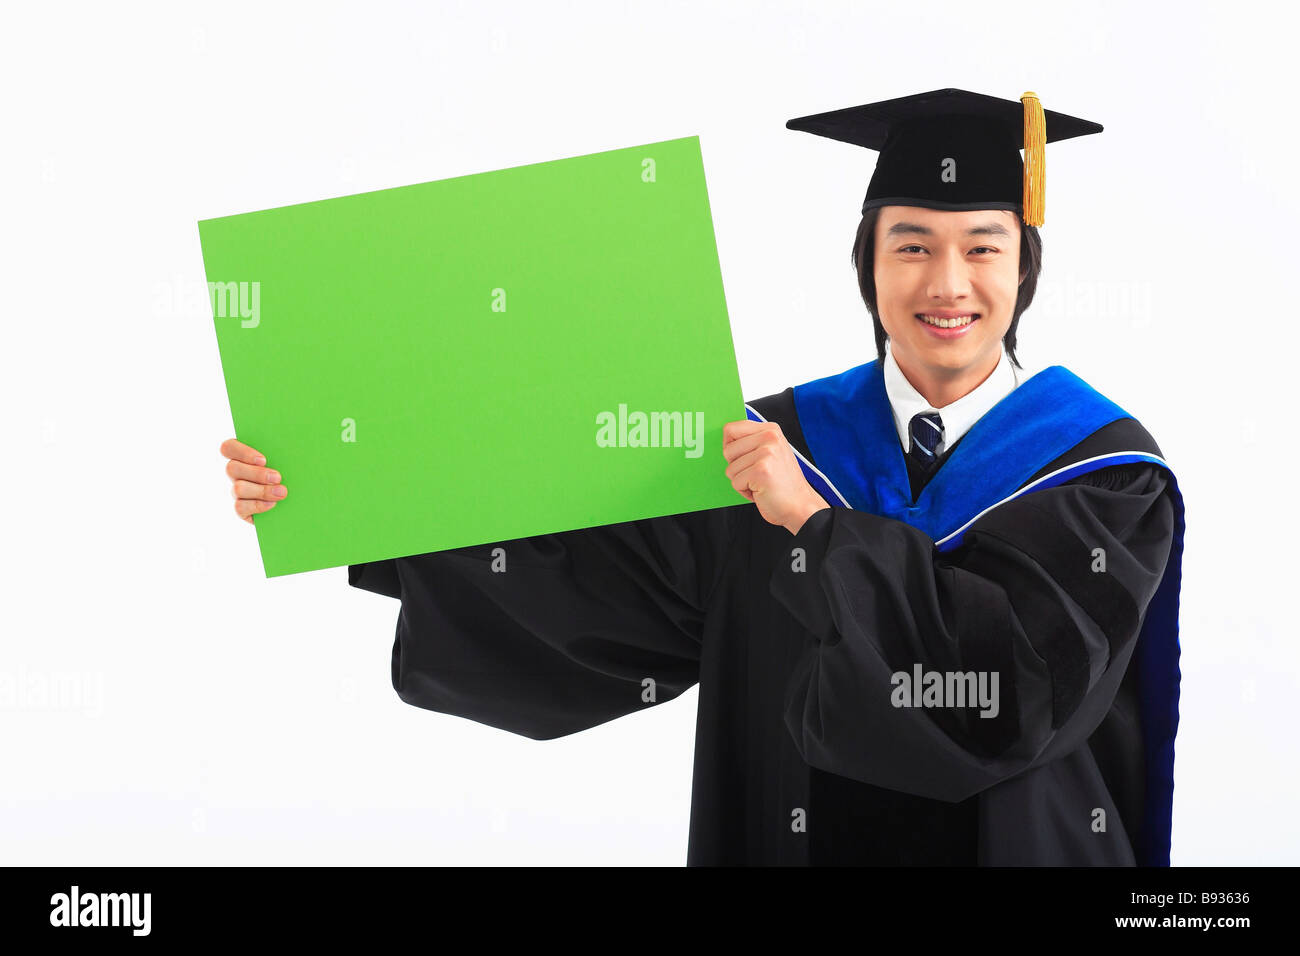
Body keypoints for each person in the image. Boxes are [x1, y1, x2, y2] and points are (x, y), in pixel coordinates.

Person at [220, 89, 1185, 866]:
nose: (947, 284)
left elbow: (1011, 694)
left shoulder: (1100, 474)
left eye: (983, 247)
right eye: (912, 247)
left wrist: (817, 527)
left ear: (1024, 270)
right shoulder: (773, 441)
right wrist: (357, 502)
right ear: (867, 265)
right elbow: (604, 593)